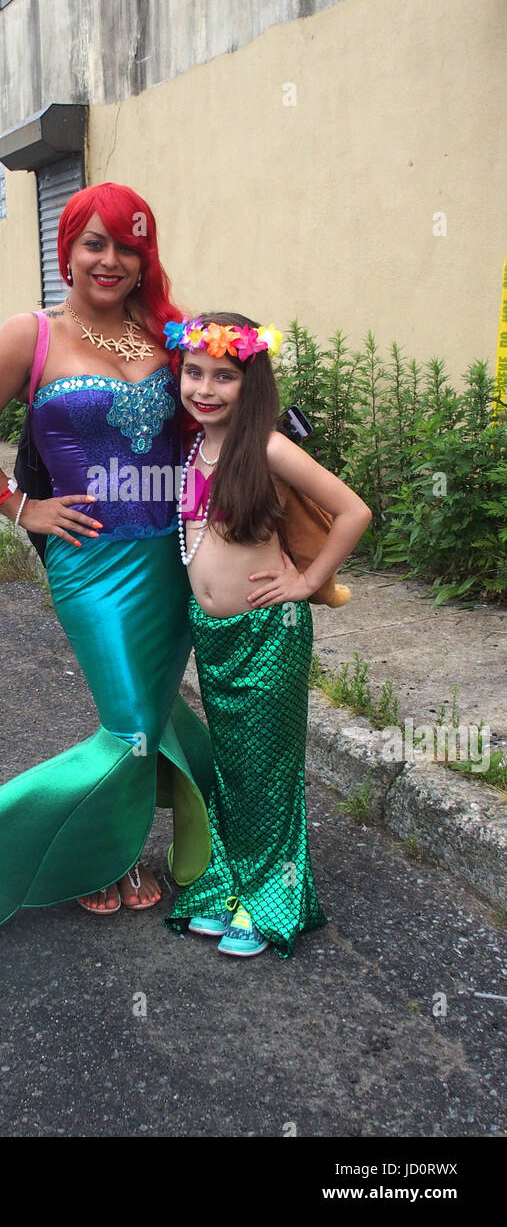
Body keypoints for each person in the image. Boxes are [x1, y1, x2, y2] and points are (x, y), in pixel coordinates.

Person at [0, 183, 214, 952]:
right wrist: (18, 504)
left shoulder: (166, 330)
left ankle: (125, 851)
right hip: (91, 563)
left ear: (143, 256)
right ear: (65, 251)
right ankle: (2, 866)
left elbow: (223, 415)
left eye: (127, 245)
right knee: (127, 725)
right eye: (93, 243)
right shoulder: (29, 333)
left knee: (151, 711)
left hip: (173, 558)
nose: (110, 259)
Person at [162, 311, 372, 958]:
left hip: (267, 633)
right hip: (214, 636)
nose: (204, 388)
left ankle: (271, 899)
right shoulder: (195, 446)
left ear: (249, 383)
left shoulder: (268, 448)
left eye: (223, 376)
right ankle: (230, 886)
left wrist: (308, 583)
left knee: (267, 773)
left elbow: (352, 511)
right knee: (232, 768)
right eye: (193, 373)